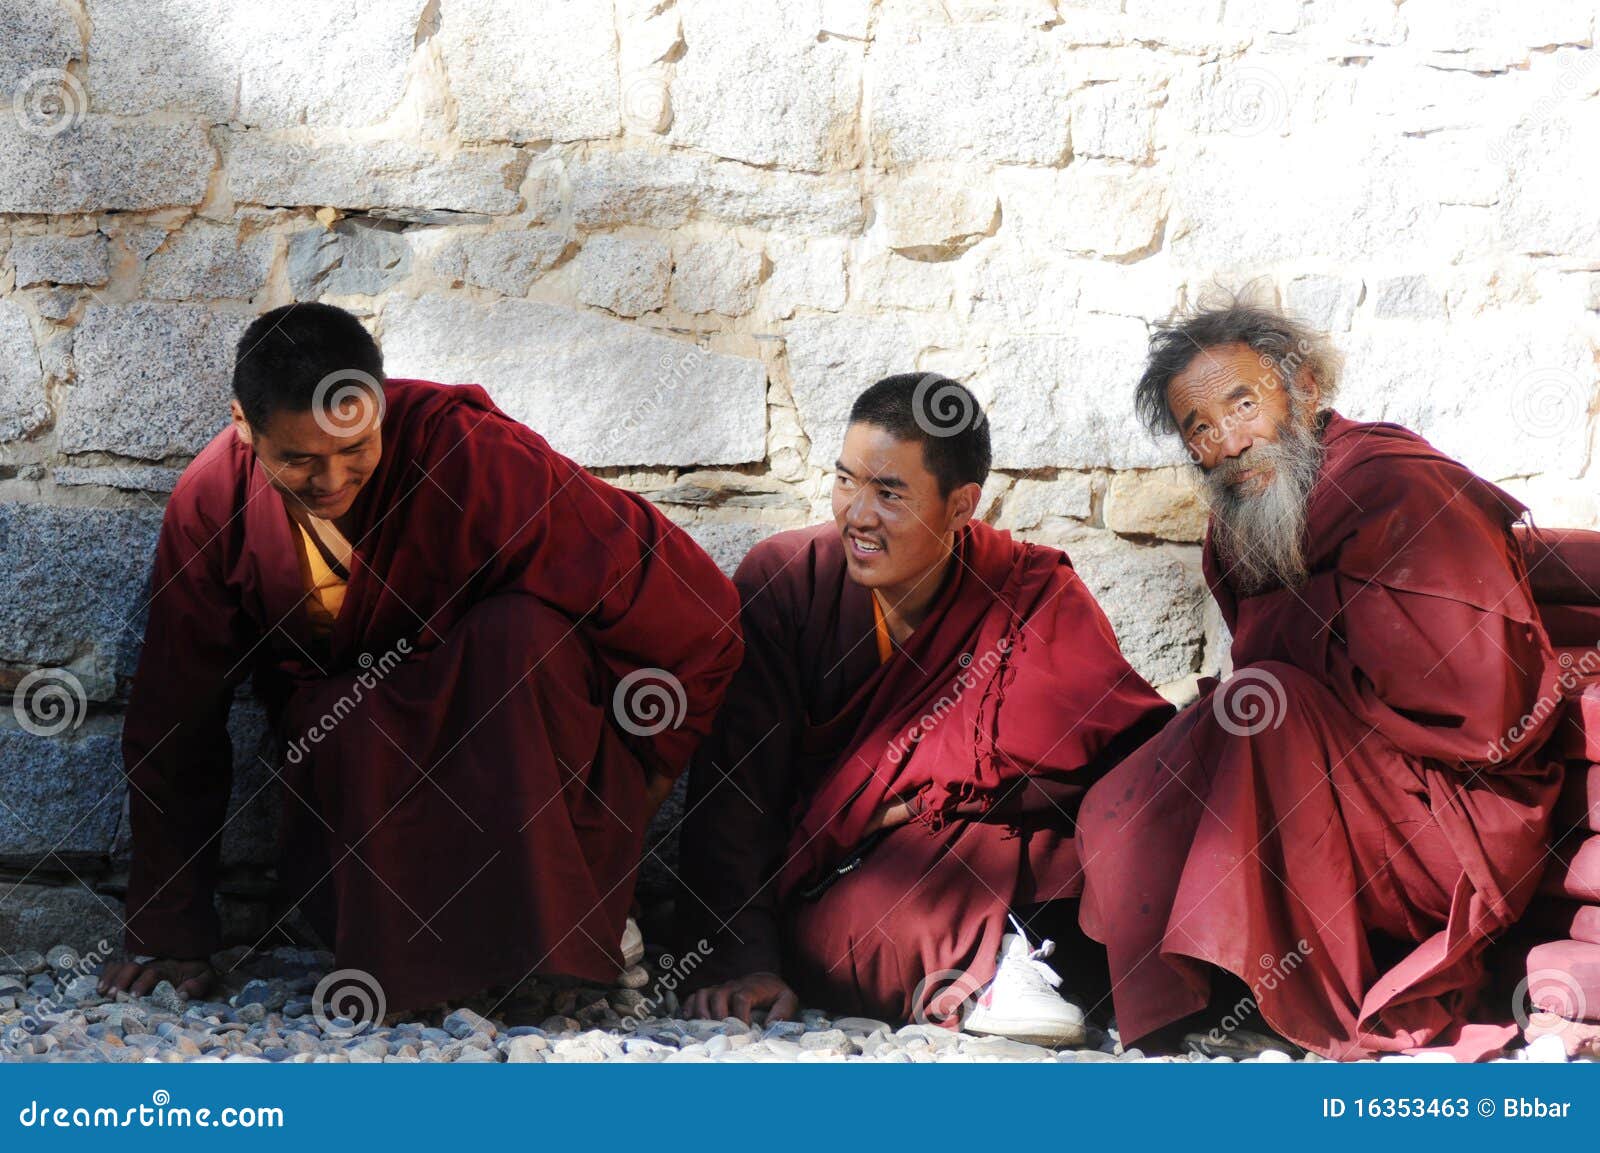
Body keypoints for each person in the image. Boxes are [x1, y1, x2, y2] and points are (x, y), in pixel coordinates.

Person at [100, 302, 743, 1014]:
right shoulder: (213, 499)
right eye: (299, 460)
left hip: (510, 740)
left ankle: (575, 923)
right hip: (356, 769)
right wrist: (169, 930)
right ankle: (424, 960)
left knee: (520, 636)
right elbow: (176, 713)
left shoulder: (470, 455)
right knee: (354, 710)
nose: (334, 480)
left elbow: (696, 611)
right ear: (243, 426)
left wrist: (625, 814)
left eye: (356, 448)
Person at [1076, 294, 1565, 1060]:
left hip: (1459, 809)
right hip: (1329, 774)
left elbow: (1479, 701)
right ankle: (1204, 986)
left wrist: (1295, 653)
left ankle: (1288, 998)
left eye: (1243, 403)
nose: (1229, 442)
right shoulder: (1241, 521)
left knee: (1259, 709)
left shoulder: (1395, 484)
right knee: (1124, 792)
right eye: (1198, 428)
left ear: (1303, 387)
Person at [679, 373, 1173, 1044]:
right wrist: (745, 959)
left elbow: (1108, 746)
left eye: (888, 493)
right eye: (846, 479)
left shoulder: (1028, 587)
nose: (856, 513)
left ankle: (1026, 961)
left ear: (961, 504)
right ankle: (1004, 967)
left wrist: (910, 799)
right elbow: (734, 792)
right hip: (855, 871)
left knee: (1107, 851)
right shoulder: (790, 583)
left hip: (995, 840)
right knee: (850, 922)